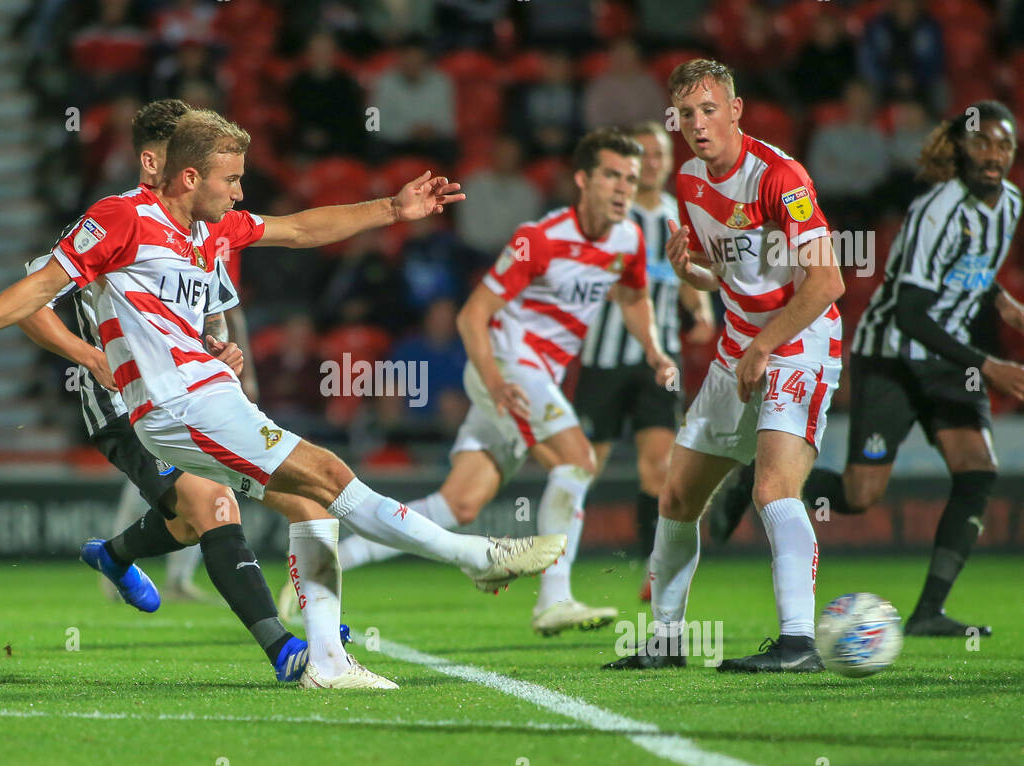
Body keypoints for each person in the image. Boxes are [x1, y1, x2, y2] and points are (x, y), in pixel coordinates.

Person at [0, 108, 565, 690]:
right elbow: (39, 287)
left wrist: (391, 210)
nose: (241, 190)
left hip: (208, 399)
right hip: (177, 406)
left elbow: (301, 228)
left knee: (312, 503)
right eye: (232, 179)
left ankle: (328, 664)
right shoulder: (120, 218)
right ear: (190, 177)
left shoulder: (211, 233)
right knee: (331, 474)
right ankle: (475, 556)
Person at [334, 129, 674, 636]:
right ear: (582, 180)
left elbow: (632, 298)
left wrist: (653, 348)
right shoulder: (540, 238)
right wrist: (494, 383)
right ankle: (553, 600)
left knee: (459, 504)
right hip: (507, 365)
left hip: (528, 379)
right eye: (610, 175)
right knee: (578, 461)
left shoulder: (629, 239)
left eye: (630, 177)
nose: (624, 187)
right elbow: (473, 316)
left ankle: (335, 558)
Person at [17, 99, 310, 682]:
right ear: (156, 159)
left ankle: (116, 555)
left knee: (198, 512)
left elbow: (213, 312)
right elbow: (30, 297)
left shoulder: (196, 230)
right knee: (213, 505)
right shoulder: (113, 221)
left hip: (185, 392)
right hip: (121, 400)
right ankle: (285, 648)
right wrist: (86, 354)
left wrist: (220, 349)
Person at [711, 101, 1023, 638]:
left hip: (948, 355)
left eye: (1004, 145)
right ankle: (754, 483)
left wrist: (999, 301)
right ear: (961, 147)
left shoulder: (1011, 204)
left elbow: (968, 266)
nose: (993, 155)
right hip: (894, 355)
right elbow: (908, 308)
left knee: (978, 469)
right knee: (859, 495)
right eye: (982, 143)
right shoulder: (937, 209)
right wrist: (989, 365)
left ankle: (928, 611)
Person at [605, 59, 846, 673]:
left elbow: (825, 280)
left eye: (709, 110)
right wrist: (693, 276)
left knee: (773, 488)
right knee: (678, 494)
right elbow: (729, 276)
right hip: (741, 342)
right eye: (686, 114)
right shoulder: (687, 180)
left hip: (798, 339)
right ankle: (664, 640)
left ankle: (798, 642)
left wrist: (766, 344)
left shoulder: (780, 176)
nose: (697, 124)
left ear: (735, 110)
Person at [574, 122, 714, 603]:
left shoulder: (680, 218)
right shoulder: (612, 214)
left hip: (661, 364)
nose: (653, 162)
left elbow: (691, 278)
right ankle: (555, 576)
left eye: (660, 154)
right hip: (605, 358)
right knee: (581, 467)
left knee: (658, 470)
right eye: (645, 155)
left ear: (670, 161)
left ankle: (653, 572)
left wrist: (701, 311)